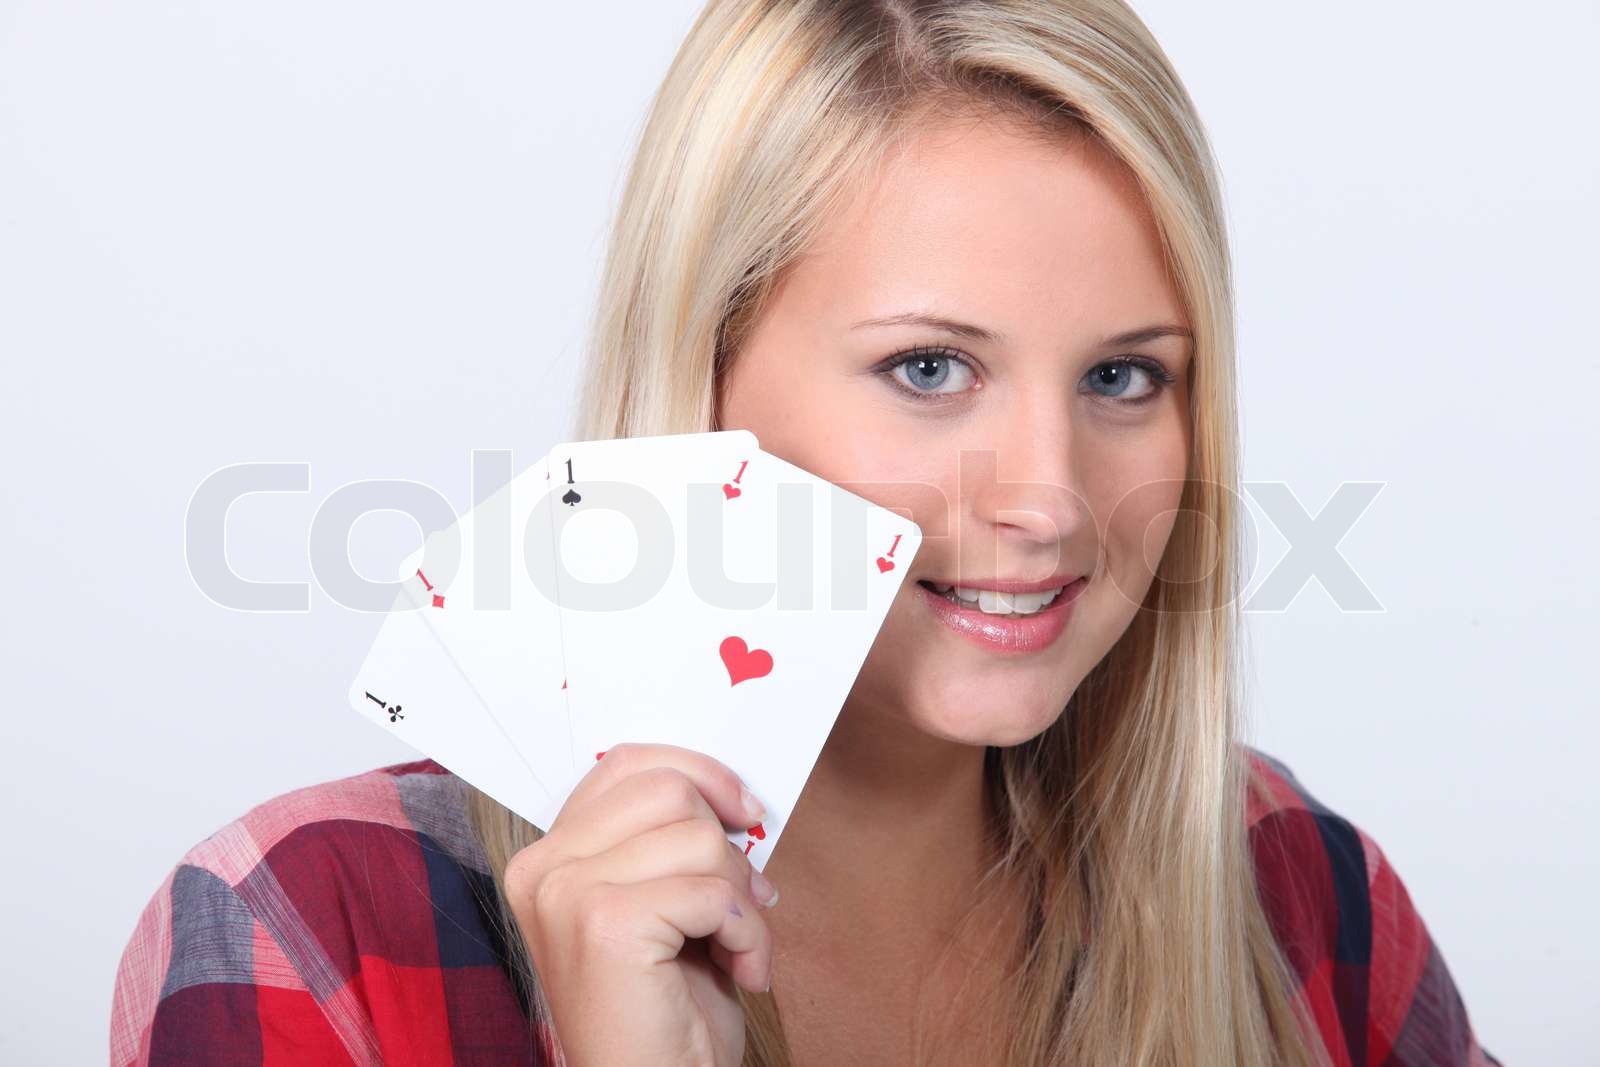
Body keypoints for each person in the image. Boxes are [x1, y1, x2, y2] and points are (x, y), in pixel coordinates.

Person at [111, 1, 1504, 1064]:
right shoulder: (313, 930)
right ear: (702, 378)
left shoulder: (1303, 897)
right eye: (929, 369)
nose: (1051, 498)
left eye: (1123, 376)